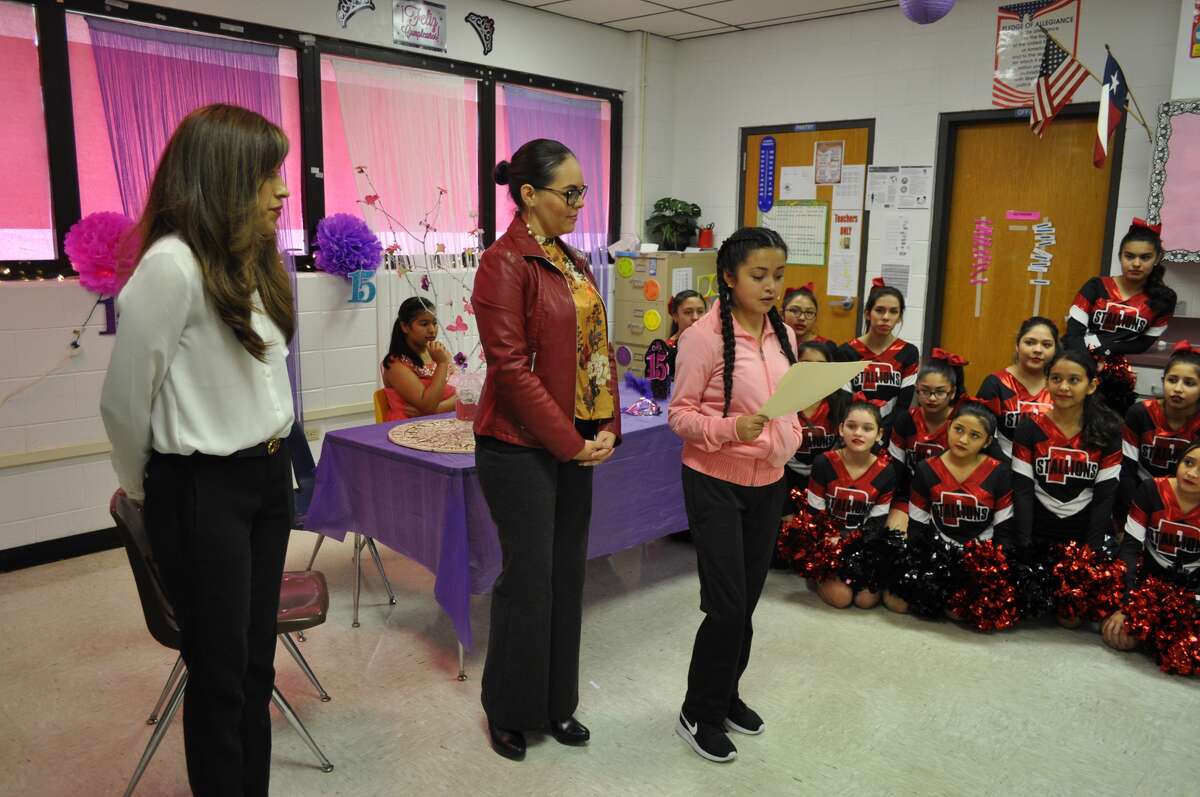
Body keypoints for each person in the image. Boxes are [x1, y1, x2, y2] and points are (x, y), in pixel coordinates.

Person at [99, 104, 295, 796]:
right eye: (267, 174)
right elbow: (123, 403)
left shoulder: (254, 258)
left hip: (268, 480)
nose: (281, 189)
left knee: (254, 667)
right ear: (222, 177)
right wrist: (149, 494)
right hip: (203, 487)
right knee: (217, 675)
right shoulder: (172, 266)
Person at [472, 138, 621, 761]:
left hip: (575, 442)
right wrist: (568, 442)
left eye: (584, 192)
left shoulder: (570, 260)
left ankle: (557, 705)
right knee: (528, 581)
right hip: (518, 448)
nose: (579, 204)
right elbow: (509, 370)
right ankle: (508, 708)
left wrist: (605, 423)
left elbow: (593, 351)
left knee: (564, 578)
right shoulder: (503, 264)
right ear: (529, 194)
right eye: (570, 193)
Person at [668, 227, 801, 763]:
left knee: (745, 604)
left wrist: (789, 437)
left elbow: (788, 403)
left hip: (768, 482)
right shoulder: (702, 337)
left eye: (779, 275)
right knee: (724, 608)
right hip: (714, 481)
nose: (771, 286)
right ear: (729, 277)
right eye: (759, 275)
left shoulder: (785, 333)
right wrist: (730, 430)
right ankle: (696, 711)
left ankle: (726, 696)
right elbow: (679, 416)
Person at [885, 402, 1012, 615]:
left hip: (978, 552)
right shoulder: (927, 469)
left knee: (963, 610)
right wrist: (919, 564)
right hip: (938, 548)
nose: (963, 439)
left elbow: (1004, 530)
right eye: (959, 429)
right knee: (895, 602)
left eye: (974, 435)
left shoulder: (1000, 473)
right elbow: (917, 525)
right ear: (949, 427)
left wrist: (993, 569)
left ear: (987, 441)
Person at [1011, 350, 1122, 564]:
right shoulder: (1028, 428)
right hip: (1037, 533)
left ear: (1091, 385)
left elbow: (1104, 497)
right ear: (1046, 382)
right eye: (1056, 379)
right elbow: (1023, 491)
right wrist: (1024, 548)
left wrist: (1091, 554)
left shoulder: (1109, 430)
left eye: (1074, 380)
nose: (1063, 387)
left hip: (1084, 535)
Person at [1064, 220, 1176, 414]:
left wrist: (1105, 348)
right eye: (1129, 256)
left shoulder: (1163, 299)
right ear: (1120, 256)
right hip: (1078, 366)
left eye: (1145, 257)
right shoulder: (1095, 286)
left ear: (1157, 259)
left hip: (1118, 377)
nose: (1136, 263)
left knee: (1110, 430)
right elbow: (1073, 334)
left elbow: (1142, 343)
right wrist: (1090, 364)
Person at [1103, 441, 1200, 651]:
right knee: (1121, 635)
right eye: (1188, 462)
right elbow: (1129, 548)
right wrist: (1127, 605)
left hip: (1190, 594)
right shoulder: (1152, 489)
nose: (1191, 473)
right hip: (1147, 585)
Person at [806, 400, 896, 611]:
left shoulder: (886, 471)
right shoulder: (824, 463)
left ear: (879, 434)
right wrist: (831, 543)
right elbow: (814, 512)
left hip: (862, 544)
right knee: (841, 598)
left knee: (866, 601)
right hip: (827, 542)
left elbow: (877, 521)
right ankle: (819, 578)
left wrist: (854, 546)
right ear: (840, 429)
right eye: (852, 426)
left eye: (867, 428)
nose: (859, 433)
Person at [1118, 342, 1200, 522]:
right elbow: (1126, 470)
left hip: (1186, 501)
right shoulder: (1140, 413)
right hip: (1136, 494)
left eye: (1189, 383)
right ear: (1163, 381)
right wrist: (1129, 516)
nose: (1178, 389)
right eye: (1172, 380)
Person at [888, 349, 968, 530]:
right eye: (925, 391)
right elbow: (895, 468)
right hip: (909, 495)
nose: (932, 398)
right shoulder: (906, 419)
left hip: (950, 498)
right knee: (894, 536)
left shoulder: (963, 420)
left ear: (953, 392)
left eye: (940, 392)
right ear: (916, 390)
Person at [835, 278, 919, 443]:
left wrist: (881, 433)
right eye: (879, 310)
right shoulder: (847, 351)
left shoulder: (908, 352)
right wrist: (862, 432)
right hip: (855, 432)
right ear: (867, 313)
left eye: (893, 312)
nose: (886, 317)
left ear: (900, 316)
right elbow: (844, 402)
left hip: (891, 433)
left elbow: (903, 406)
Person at [976, 317, 1058, 459]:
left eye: (1046, 345)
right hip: (1003, 467)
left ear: (1055, 349)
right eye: (1030, 343)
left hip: (1048, 470)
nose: (1038, 350)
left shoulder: (1061, 387)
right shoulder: (995, 383)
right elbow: (980, 434)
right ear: (1017, 345)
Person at [784, 341, 848, 512]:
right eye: (806, 365)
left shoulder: (843, 402)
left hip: (828, 481)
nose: (813, 372)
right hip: (784, 480)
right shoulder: (781, 401)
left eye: (820, 366)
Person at [380, 297, 457, 421]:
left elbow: (463, 395)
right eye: (424, 324)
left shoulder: (438, 353)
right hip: (406, 430)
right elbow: (427, 405)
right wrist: (442, 364)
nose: (432, 330)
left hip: (440, 423)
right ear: (405, 327)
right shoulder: (394, 364)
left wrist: (438, 410)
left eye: (435, 323)